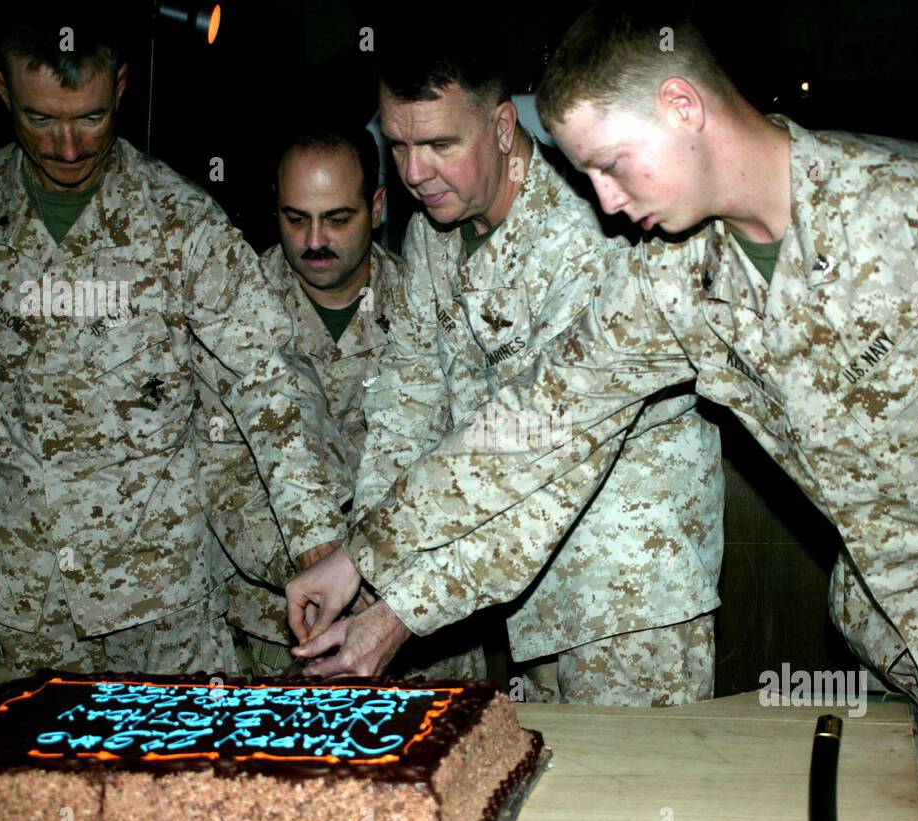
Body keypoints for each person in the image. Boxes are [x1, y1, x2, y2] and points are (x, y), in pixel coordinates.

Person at [289, 7, 918, 821]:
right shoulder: (677, 279)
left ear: (682, 107)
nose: (601, 199)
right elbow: (536, 425)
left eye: (611, 165)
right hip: (905, 667)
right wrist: (364, 553)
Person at [0, 15, 347, 675]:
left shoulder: (182, 224)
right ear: (0, 89)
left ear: (123, 88)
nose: (70, 147)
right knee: (29, 774)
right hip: (19, 596)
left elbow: (267, 383)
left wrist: (316, 546)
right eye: (43, 119)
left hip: (159, 599)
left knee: (185, 772)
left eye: (92, 118)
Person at [287, 35, 725, 705]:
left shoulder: (590, 229)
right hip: (514, 598)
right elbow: (407, 408)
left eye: (439, 145)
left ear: (500, 126)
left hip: (628, 597)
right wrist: (363, 563)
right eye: (398, 147)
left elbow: (541, 460)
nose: (415, 173)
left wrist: (401, 607)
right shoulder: (431, 234)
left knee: (632, 803)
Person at [227, 127, 405, 675]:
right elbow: (226, 479)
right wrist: (324, 567)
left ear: (375, 207)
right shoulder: (234, 309)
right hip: (285, 624)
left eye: (337, 218)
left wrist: (383, 578)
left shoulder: (429, 300)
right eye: (296, 218)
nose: (314, 241)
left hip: (411, 625)